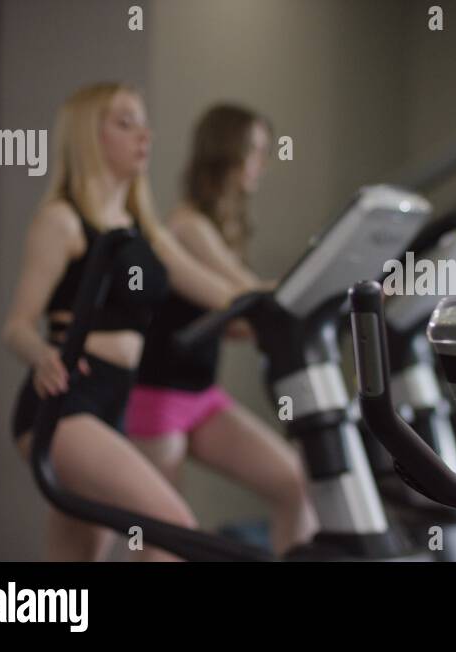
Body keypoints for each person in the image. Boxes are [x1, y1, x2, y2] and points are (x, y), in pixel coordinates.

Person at [4, 82, 242, 561]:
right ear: (90, 136)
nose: (144, 136)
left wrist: (326, 289)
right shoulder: (64, 221)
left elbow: (230, 296)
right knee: (174, 530)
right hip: (64, 404)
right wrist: (43, 355)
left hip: (114, 406)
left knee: (76, 562)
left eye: (144, 123)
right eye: (125, 122)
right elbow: (17, 325)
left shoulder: (145, 232)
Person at [125, 105, 317, 556]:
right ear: (225, 153)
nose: (260, 164)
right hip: (159, 397)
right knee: (161, 540)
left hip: (203, 397)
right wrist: (326, 280)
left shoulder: (213, 226)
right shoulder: (188, 225)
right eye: (253, 151)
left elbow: (236, 325)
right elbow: (248, 296)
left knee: (295, 483)